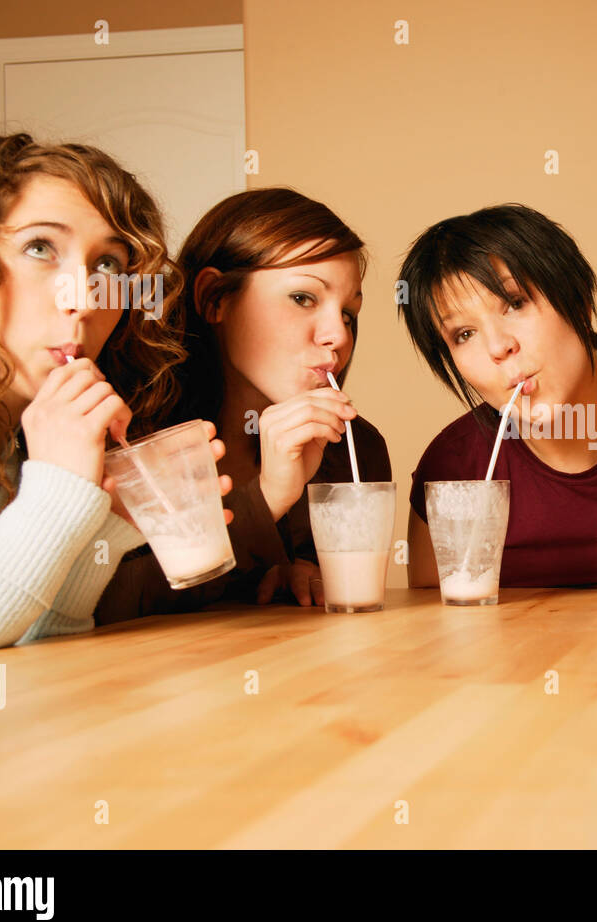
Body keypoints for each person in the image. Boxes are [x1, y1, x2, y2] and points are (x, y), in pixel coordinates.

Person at [0, 127, 201, 662]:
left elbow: (33, 651)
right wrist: (55, 502)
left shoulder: (18, 444)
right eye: (40, 248)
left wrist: (99, 530)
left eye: (109, 265)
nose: (84, 298)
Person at [96, 188, 391, 622]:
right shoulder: (128, 435)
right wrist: (266, 500)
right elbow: (100, 606)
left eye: (348, 313)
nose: (339, 335)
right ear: (215, 298)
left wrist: (296, 575)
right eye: (304, 298)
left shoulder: (353, 449)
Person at [398, 203, 597, 588]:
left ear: (580, 301)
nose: (498, 347)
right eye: (464, 334)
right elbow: (429, 621)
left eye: (515, 303)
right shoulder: (454, 465)